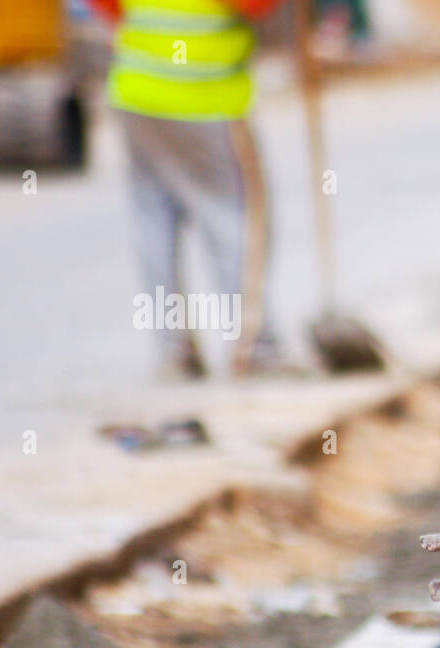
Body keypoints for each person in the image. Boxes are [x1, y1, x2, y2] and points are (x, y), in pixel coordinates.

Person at [87, 0, 286, 379]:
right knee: (236, 217)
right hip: (202, 93)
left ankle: (172, 352)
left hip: (137, 88)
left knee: (154, 224)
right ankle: (254, 346)